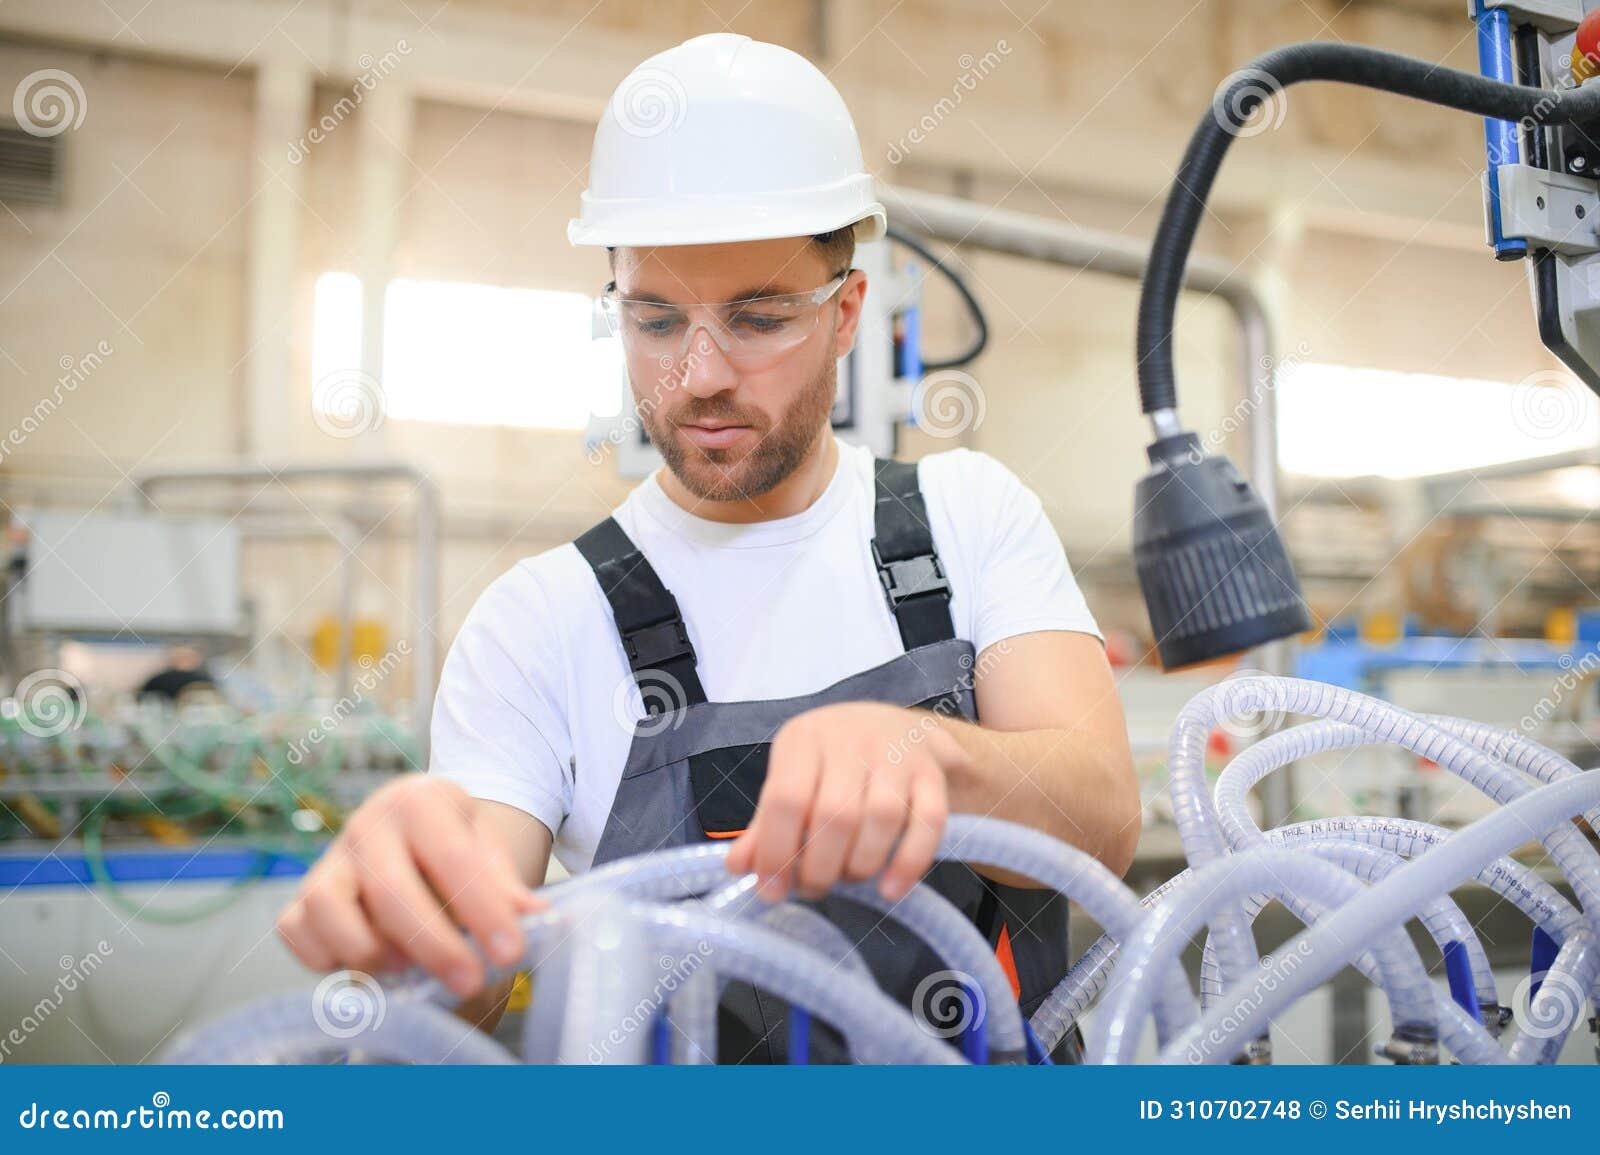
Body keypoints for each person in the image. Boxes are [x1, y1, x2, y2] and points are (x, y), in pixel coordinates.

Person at [277, 32, 1139, 1063]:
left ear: (846, 313)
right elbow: (457, 982)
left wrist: (937, 758)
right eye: (653, 321)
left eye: (758, 319)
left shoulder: (967, 518)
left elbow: (1101, 827)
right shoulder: (543, 618)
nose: (697, 376)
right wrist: (399, 921)